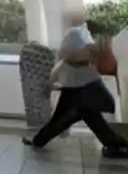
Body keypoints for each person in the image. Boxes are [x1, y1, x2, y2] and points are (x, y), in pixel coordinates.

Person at [25, 11, 128, 158]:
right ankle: (116, 145)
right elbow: (67, 60)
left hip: (80, 87)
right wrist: (50, 83)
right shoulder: (82, 36)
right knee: (83, 114)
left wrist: (50, 83)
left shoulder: (79, 36)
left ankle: (117, 144)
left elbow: (66, 60)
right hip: (81, 86)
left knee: (74, 115)